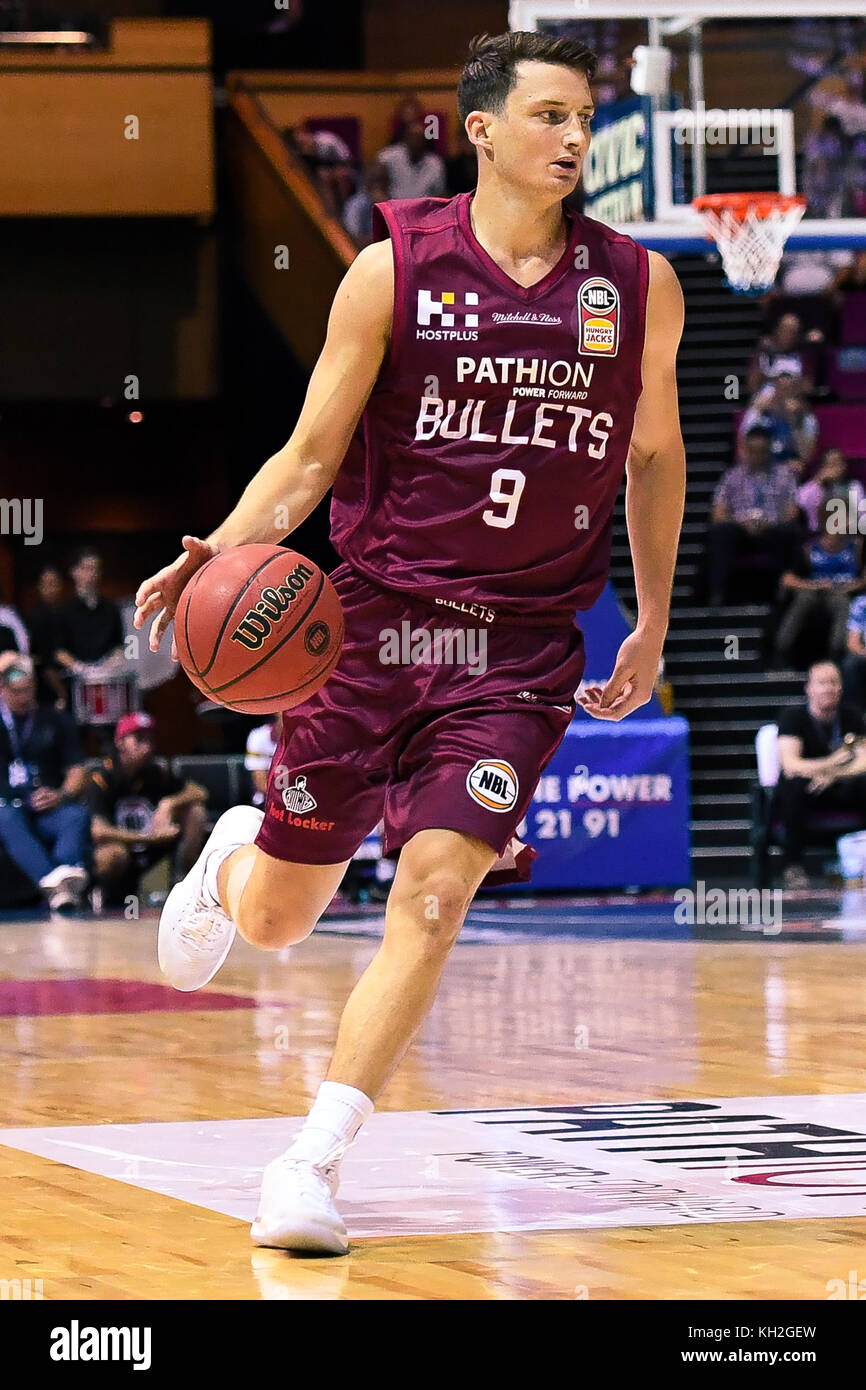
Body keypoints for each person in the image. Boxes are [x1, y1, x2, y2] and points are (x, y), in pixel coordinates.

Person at [134, 30, 685, 1254]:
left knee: (435, 896)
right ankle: (232, 859)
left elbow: (652, 455)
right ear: (480, 129)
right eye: (548, 115)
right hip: (374, 629)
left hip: (523, 651)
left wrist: (648, 616)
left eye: (583, 117)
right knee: (279, 918)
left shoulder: (636, 285)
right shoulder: (392, 270)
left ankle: (309, 1162)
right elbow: (309, 457)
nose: (574, 137)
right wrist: (218, 547)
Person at [87, 712, 208, 908]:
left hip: (154, 852)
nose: (147, 746)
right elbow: (99, 831)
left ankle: (184, 881)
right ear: (120, 742)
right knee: (110, 856)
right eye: (140, 739)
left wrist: (169, 803)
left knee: (195, 812)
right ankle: (100, 897)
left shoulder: (157, 772)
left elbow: (200, 792)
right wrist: (149, 837)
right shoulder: (103, 777)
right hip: (124, 852)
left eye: (150, 739)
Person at [0, 653, 89, 912]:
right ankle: (57, 883)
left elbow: (77, 771)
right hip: (9, 808)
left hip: (48, 807)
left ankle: (63, 876)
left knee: (75, 815)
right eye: (16, 692)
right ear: (2, 690)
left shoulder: (56, 720)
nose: (24, 697)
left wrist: (60, 794)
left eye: (28, 690)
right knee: (3, 817)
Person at [776, 661, 866, 889]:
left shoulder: (852, 716)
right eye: (822, 683)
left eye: (833, 683)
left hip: (840, 785)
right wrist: (833, 761)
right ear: (809, 688)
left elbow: (863, 762)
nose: (827, 688)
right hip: (809, 789)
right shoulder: (792, 717)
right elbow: (791, 765)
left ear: (841, 688)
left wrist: (834, 773)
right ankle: (793, 866)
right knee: (793, 785)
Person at [707, 425, 800, 605]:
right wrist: (742, 524)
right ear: (745, 450)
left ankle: (781, 594)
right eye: (753, 451)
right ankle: (718, 595)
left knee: (788, 533)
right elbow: (718, 513)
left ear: (769, 450)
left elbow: (792, 511)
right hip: (740, 530)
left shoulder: (784, 475)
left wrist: (769, 523)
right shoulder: (732, 476)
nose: (757, 456)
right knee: (721, 532)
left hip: (772, 529)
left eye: (762, 451)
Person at [775, 500, 865, 666]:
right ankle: (781, 652)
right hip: (815, 592)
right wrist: (815, 586)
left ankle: (836, 655)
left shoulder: (858, 546)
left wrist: (845, 589)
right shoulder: (809, 548)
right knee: (804, 600)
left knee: (842, 604)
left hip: (844, 594)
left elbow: (864, 581)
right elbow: (787, 580)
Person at [26, 563, 69, 709]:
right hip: (46, 689)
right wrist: (62, 693)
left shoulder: (63, 614)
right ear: (40, 587)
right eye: (48, 584)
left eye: (56, 584)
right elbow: (45, 662)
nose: (52, 589)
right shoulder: (36, 617)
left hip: (65, 679)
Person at [797, 448, 864, 535]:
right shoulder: (815, 485)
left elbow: (861, 514)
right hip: (818, 534)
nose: (835, 468)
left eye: (839, 463)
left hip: (846, 534)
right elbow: (801, 502)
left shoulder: (854, 485)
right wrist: (818, 481)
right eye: (831, 464)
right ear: (823, 467)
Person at [376, 119, 446, 200]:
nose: (416, 142)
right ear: (405, 139)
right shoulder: (388, 156)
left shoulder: (435, 163)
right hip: (393, 208)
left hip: (424, 210)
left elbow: (440, 192)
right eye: (412, 137)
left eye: (420, 139)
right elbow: (375, 181)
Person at [747, 313, 814, 396]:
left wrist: (792, 385)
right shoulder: (763, 353)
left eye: (793, 332)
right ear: (777, 331)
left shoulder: (803, 355)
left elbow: (808, 386)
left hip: (792, 400)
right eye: (786, 330)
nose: (789, 335)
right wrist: (774, 379)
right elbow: (752, 385)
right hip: (765, 400)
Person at [341, 163, 391, 247]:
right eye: (375, 181)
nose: (378, 186)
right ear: (367, 182)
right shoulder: (355, 204)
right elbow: (352, 236)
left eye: (382, 181)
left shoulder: (393, 204)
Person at [245, 713, 282, 809]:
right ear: (277, 712)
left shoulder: (306, 736)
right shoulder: (258, 736)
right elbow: (261, 784)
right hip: (266, 803)